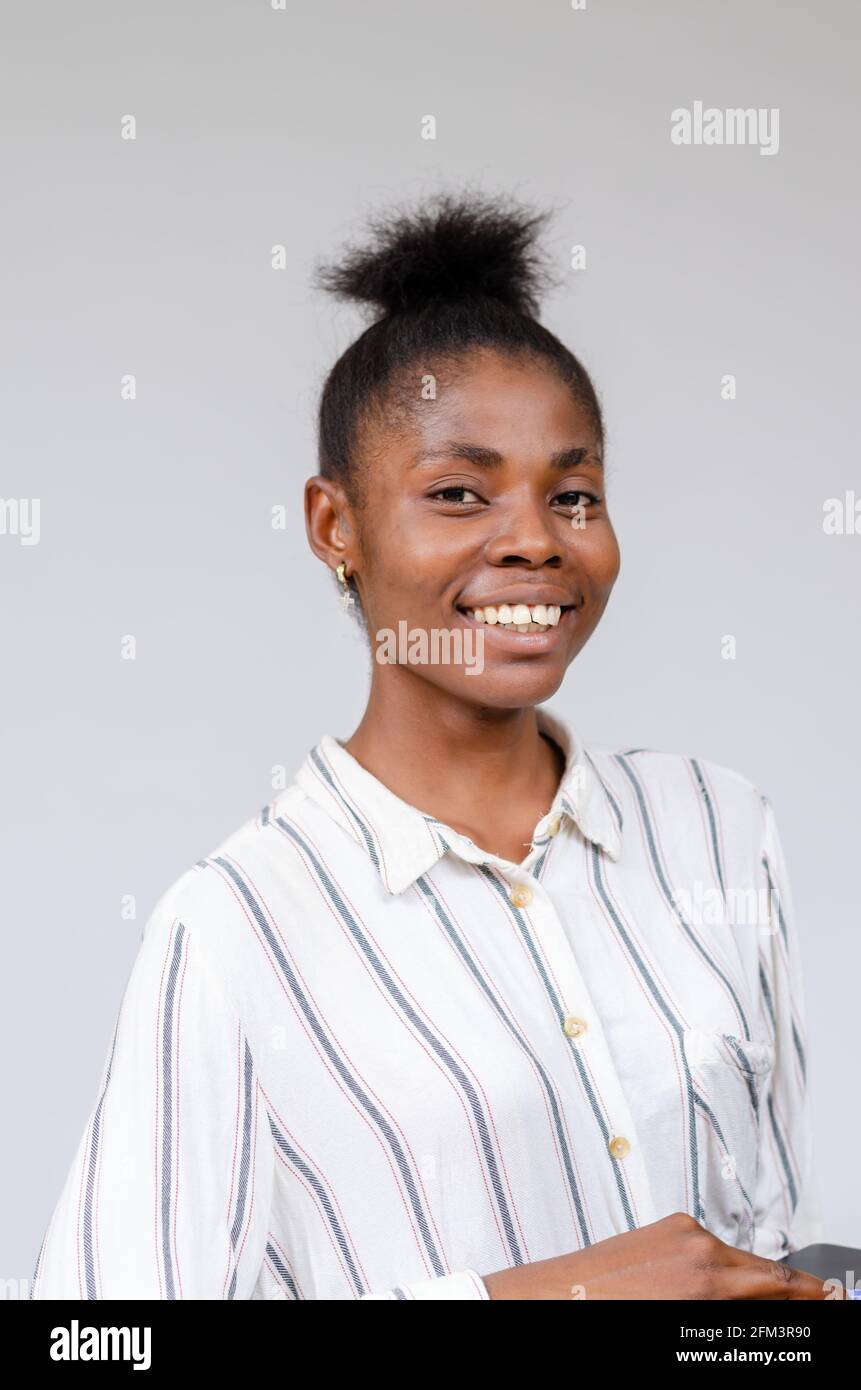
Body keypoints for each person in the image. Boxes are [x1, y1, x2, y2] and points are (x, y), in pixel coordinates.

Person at [30, 189, 829, 1300]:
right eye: (459, 492)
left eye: (575, 493)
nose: (536, 542)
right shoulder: (236, 930)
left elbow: (767, 1260)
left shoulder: (719, 827)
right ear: (334, 526)